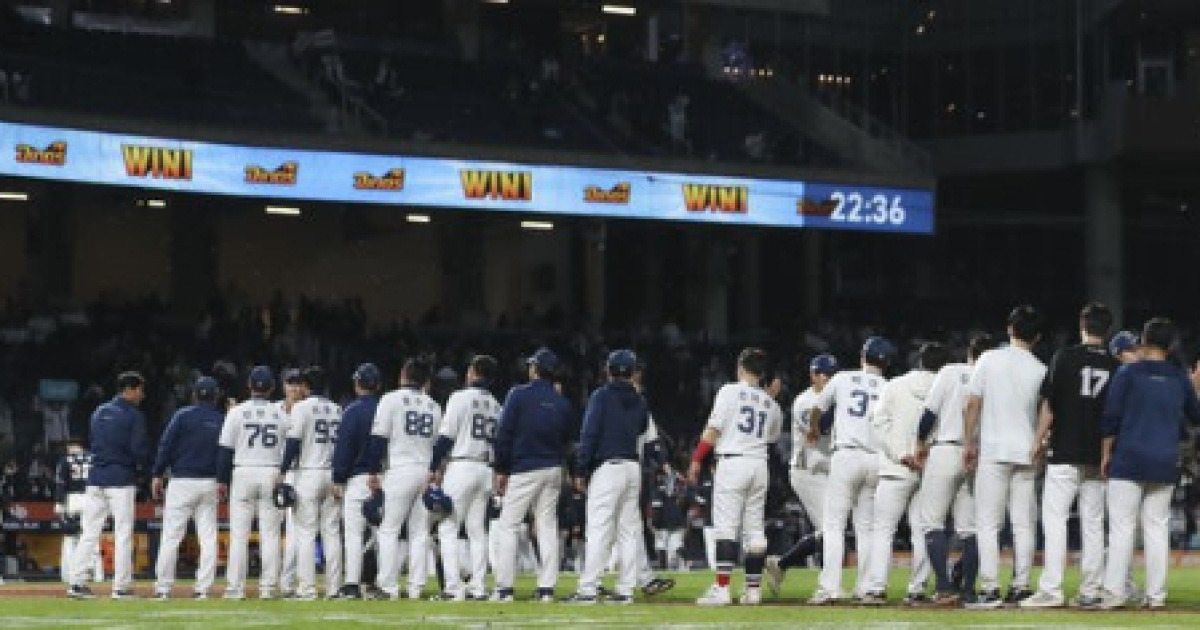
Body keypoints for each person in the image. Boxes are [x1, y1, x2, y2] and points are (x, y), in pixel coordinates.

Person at [1097, 318, 1200, 609]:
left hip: (1129, 458)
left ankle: (1114, 594)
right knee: (1156, 529)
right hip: (1164, 461)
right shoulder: (1179, 377)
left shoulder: (1128, 373)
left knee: (1122, 529)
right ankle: (1156, 596)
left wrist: (1106, 453)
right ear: (1171, 345)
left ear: (1143, 340)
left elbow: (1111, 418)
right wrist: (1195, 386)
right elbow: (1196, 417)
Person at [1022, 303, 1119, 609]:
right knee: (1093, 523)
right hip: (1096, 453)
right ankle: (1090, 590)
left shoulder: (1065, 356)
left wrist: (1037, 441)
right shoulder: (1116, 366)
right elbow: (1115, 417)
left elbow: (1049, 404)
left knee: (1055, 520)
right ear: (1108, 329)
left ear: (1083, 324)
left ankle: (1051, 589)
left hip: (1064, 449)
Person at [962, 305, 1047, 608]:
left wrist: (967, 442)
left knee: (987, 523)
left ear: (1009, 329)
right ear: (1037, 337)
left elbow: (972, 404)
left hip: (994, 449)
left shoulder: (988, 358)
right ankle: (1021, 586)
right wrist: (1040, 445)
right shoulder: (1040, 368)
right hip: (1026, 449)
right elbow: (1044, 413)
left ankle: (989, 588)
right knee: (1023, 523)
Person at [689, 348, 783, 606]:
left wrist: (697, 458)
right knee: (754, 529)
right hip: (759, 465)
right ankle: (753, 591)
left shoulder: (729, 391)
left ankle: (721, 589)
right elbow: (772, 437)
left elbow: (713, 430)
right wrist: (768, 399)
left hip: (733, 462)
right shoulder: (772, 404)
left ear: (741, 368)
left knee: (727, 527)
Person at [807, 338, 894, 605]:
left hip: (846, 456)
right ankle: (866, 587)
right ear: (886, 362)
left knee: (833, 526)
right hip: (876, 460)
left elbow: (818, 407)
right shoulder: (890, 387)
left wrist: (814, 428)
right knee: (866, 528)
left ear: (862, 356)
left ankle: (829, 588)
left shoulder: (843, 378)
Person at [916, 333, 998, 606]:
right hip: (978, 455)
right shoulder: (995, 380)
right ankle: (968, 588)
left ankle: (943, 586)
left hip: (947, 450)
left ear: (970, 354)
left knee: (932, 522)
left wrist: (918, 442)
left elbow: (928, 414)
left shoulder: (950, 371)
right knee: (970, 529)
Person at [862, 343, 946, 604]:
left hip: (895, 467)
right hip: (928, 468)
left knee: (883, 530)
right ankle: (917, 589)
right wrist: (926, 454)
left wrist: (901, 453)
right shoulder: (946, 388)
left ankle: (876, 588)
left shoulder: (895, 385)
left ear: (919, 361)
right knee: (922, 531)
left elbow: (877, 422)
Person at [565, 350, 650, 604]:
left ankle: (588, 589)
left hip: (609, 467)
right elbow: (643, 427)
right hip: (632, 468)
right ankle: (625, 590)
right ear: (632, 372)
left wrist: (581, 470)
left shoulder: (601, 396)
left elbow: (589, 434)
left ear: (609, 370)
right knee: (628, 531)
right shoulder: (639, 399)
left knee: (599, 529)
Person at [491, 347, 574, 603]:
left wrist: (501, 468)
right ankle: (546, 588)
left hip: (525, 468)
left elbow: (504, 435)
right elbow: (568, 440)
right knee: (547, 525)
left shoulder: (518, 395)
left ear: (535, 369)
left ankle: (505, 588)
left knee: (508, 525)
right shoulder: (563, 402)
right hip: (553, 468)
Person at [66, 371, 149, 600]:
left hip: (96, 480)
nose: (142, 395)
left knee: (89, 533)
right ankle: (121, 587)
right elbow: (138, 450)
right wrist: (143, 468)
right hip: (121, 479)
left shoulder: (99, 412)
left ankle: (76, 583)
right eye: (140, 389)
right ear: (129, 390)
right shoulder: (134, 416)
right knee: (122, 534)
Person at [428, 355, 502, 602]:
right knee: (477, 530)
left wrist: (433, 465)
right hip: (485, 469)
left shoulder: (459, 397)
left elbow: (446, 437)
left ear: (473, 372)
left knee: (448, 526)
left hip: (462, 465)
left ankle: (453, 587)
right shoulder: (496, 404)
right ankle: (478, 586)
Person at [368, 357, 442, 600]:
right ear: (424, 381)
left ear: (403, 374)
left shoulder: (390, 399)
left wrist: (373, 472)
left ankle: (388, 587)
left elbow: (378, 439)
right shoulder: (433, 405)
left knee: (388, 530)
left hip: (399, 469)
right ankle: (415, 587)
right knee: (420, 533)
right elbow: (438, 445)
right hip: (425, 470)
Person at [765, 354, 838, 594]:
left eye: (831, 375)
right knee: (830, 531)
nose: (827, 380)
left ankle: (781, 563)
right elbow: (820, 430)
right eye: (823, 375)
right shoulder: (805, 401)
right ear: (813, 375)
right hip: (808, 471)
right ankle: (826, 587)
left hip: (827, 470)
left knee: (828, 531)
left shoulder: (836, 398)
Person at [218, 366, 289, 600]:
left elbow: (225, 451)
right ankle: (268, 588)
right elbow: (289, 450)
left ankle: (235, 588)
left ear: (249, 386)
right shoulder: (281, 413)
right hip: (271, 471)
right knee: (270, 534)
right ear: (271, 388)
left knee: (239, 535)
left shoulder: (236, 412)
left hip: (243, 471)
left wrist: (222, 480)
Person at [152, 376, 224, 600]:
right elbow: (226, 454)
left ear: (194, 395)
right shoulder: (222, 419)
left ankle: (163, 588)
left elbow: (165, 446)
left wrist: (157, 473)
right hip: (210, 482)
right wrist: (223, 480)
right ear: (216, 396)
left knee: (171, 536)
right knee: (208, 537)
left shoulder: (182, 416)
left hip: (182, 481)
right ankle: (203, 588)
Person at [280, 366, 344, 600]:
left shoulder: (302, 408)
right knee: (332, 533)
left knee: (305, 533)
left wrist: (282, 470)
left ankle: (306, 589)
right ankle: (334, 588)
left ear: (307, 386)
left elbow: (293, 443)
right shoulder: (338, 409)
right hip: (332, 474)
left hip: (308, 473)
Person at [330, 363, 382, 600]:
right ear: (378, 385)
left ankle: (352, 583)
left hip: (359, 479)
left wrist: (338, 477)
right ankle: (382, 583)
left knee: (353, 534)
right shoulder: (386, 407)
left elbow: (344, 448)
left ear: (356, 383)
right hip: (385, 477)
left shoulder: (352, 411)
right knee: (384, 534)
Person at [55, 437, 103, 585]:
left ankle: (70, 575)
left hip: (73, 499)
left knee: (70, 538)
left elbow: (60, 483)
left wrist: (59, 502)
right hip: (91, 497)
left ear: (72, 446)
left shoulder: (65, 461)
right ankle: (97, 574)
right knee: (91, 536)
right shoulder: (93, 459)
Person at [276, 368, 305, 597]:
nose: (294, 388)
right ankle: (268, 581)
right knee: (269, 530)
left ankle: (287, 583)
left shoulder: (308, 410)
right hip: (271, 473)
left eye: (298, 383)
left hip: (298, 473)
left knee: (294, 531)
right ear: (283, 385)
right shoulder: (273, 410)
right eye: (290, 383)